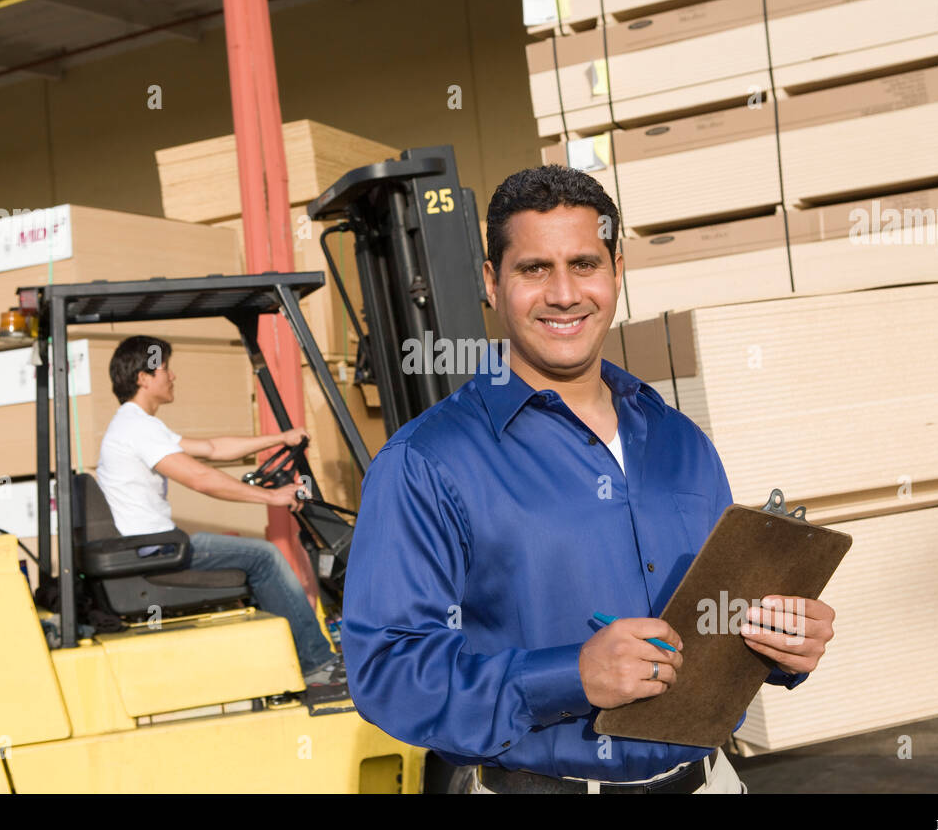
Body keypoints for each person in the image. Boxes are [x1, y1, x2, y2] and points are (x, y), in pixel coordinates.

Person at [341, 165, 836, 793]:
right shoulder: (425, 463)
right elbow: (387, 674)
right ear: (491, 282)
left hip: (710, 780)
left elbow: (712, 618)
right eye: (533, 269)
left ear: (616, 271)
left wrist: (782, 644)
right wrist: (572, 676)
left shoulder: (680, 441)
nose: (565, 294)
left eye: (584, 264)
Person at [95, 335, 343, 685]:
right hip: (157, 550)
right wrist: (272, 498)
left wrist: (279, 438)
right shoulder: (136, 427)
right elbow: (200, 479)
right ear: (143, 378)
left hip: (154, 546)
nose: (173, 376)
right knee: (265, 557)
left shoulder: (139, 425)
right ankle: (317, 664)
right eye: (165, 368)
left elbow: (212, 449)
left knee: (250, 553)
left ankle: (290, 658)